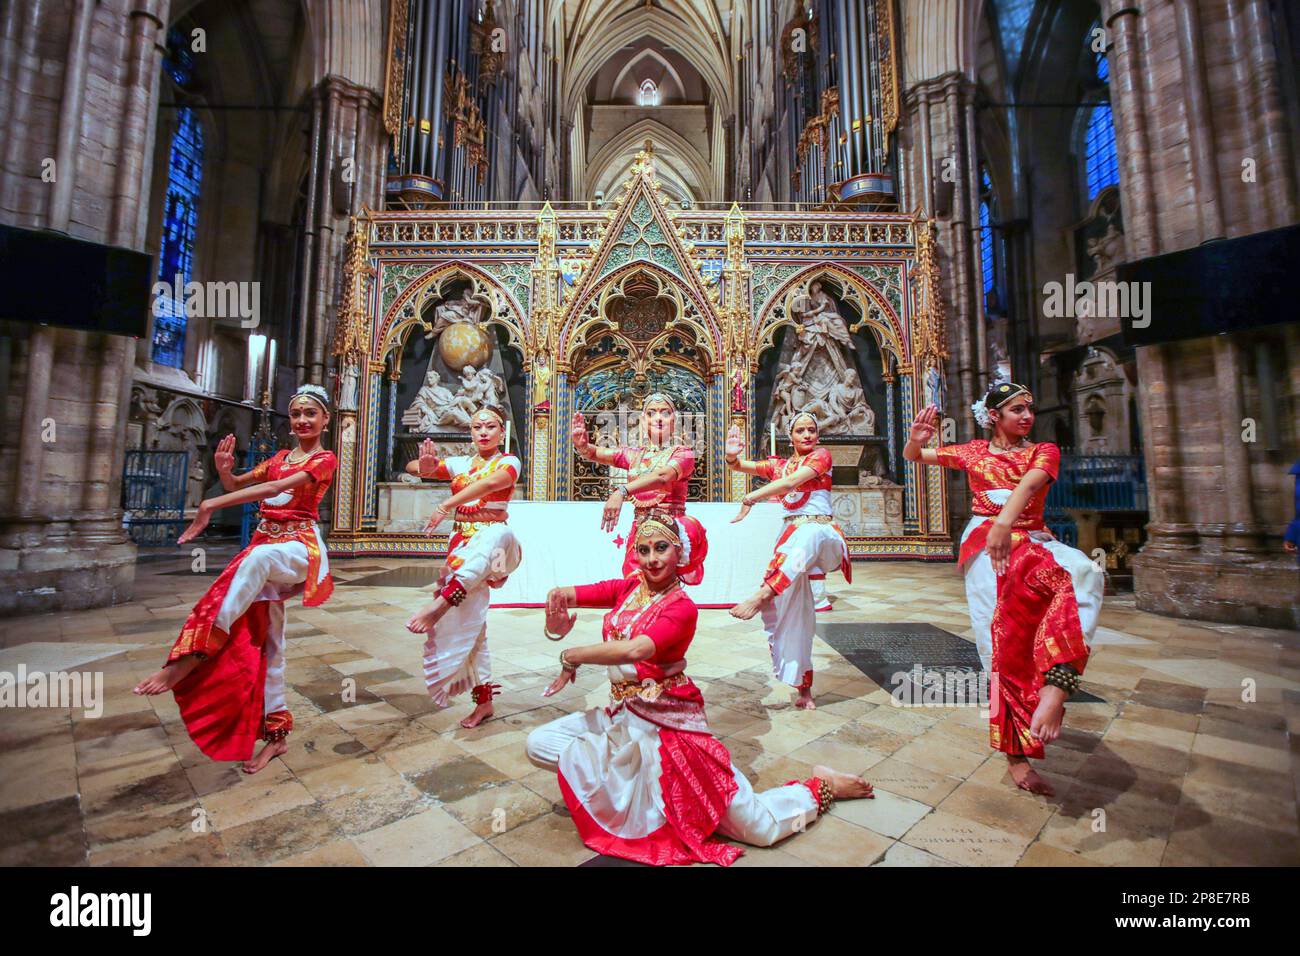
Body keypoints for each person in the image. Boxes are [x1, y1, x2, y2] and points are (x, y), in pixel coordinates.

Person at [526, 512, 873, 866]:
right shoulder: (629, 588)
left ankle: (821, 787)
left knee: (758, 827)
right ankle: (631, 783)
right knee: (538, 744)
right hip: (624, 716)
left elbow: (637, 649)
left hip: (671, 729)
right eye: (643, 550)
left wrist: (572, 655)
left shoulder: (681, 608)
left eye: (661, 548)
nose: (652, 559)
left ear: (681, 554)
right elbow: (566, 594)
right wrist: (555, 611)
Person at [903, 383, 1102, 795]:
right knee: (998, 640)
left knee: (1083, 576)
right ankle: (1015, 752)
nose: (1027, 416)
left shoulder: (1043, 450)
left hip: (1026, 536)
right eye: (1016, 410)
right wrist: (914, 441)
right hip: (985, 542)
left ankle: (1056, 686)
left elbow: (1030, 486)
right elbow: (915, 458)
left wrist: (1005, 523)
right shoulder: (973, 452)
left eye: (1029, 408)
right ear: (994, 415)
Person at [132, 384, 338, 774]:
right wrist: (225, 473)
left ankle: (196, 653)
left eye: (311, 413)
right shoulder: (278, 458)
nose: (302, 420)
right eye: (296, 413)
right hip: (267, 545)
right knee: (269, 645)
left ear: (325, 419)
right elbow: (240, 485)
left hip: (298, 549)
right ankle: (275, 738)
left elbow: (276, 489)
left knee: (257, 559)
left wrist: (210, 503)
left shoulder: (324, 458)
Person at [403, 406, 523, 728]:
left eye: (490, 426)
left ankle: (440, 605)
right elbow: (413, 466)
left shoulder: (509, 462)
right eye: (476, 427)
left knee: (499, 533)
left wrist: (446, 504)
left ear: (502, 431)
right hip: (462, 548)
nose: (483, 432)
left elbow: (488, 486)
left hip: (498, 550)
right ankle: (483, 702)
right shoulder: (460, 463)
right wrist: (425, 467)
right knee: (474, 628)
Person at [724, 412, 851, 709]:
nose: (807, 435)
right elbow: (741, 467)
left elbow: (792, 482)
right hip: (793, 543)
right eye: (800, 430)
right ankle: (803, 687)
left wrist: (750, 498)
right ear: (790, 436)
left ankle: (763, 594)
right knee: (795, 616)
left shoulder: (821, 456)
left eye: (811, 430)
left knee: (808, 534)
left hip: (824, 536)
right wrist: (731, 456)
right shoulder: (779, 465)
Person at [570, 392, 707, 584]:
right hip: (640, 532)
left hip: (668, 531)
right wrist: (582, 445)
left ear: (674, 420)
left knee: (661, 589)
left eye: (665, 413)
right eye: (651, 413)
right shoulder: (634, 455)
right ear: (643, 421)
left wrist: (622, 491)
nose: (658, 418)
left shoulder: (683, 454)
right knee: (633, 585)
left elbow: (662, 477)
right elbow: (597, 452)